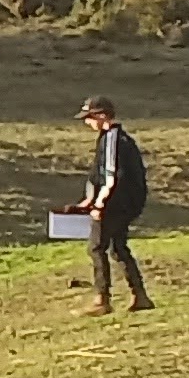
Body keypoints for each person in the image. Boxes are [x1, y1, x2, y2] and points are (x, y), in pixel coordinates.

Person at [63, 97, 153, 312]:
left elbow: (112, 175)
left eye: (89, 118)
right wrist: (89, 200)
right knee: (118, 248)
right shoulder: (114, 138)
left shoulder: (112, 138)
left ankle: (101, 300)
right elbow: (100, 174)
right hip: (124, 202)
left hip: (115, 203)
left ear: (101, 115)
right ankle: (140, 296)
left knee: (96, 247)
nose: (87, 123)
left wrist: (99, 204)